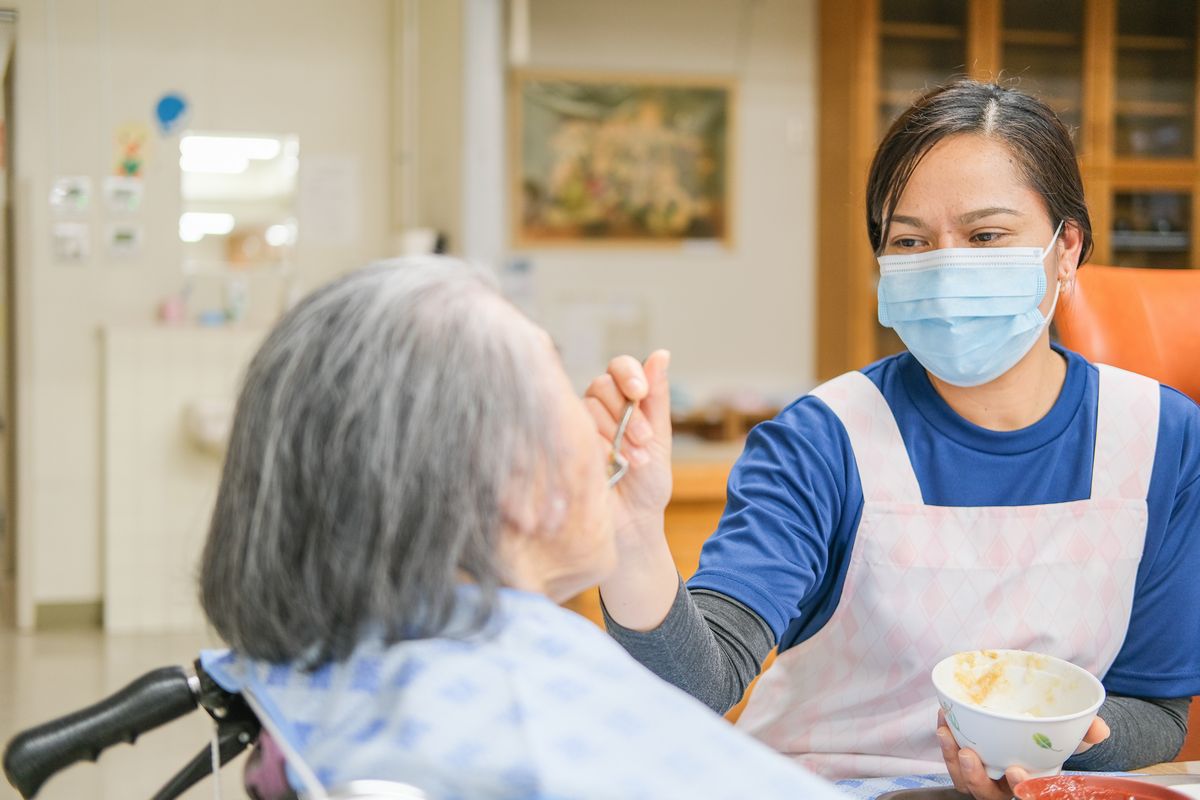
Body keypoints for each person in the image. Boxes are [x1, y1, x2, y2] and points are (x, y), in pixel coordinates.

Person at [588, 79, 1200, 800]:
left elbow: (1157, 710)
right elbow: (701, 682)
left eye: (985, 236)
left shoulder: (1164, 437)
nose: (946, 267)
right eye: (910, 240)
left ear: (1067, 248)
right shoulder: (822, 440)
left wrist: (1058, 751)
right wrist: (631, 541)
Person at [194, 259, 844, 799]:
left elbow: (694, 687)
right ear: (512, 480)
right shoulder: (525, 728)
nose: (595, 415)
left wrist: (633, 530)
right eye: (559, 386)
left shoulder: (332, 680)